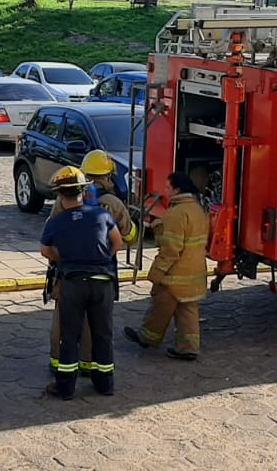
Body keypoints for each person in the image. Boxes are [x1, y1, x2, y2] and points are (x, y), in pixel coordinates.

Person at [40, 167, 123, 399]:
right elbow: (118, 243)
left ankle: (65, 388)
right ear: (83, 192)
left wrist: (63, 259)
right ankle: (105, 385)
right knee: (103, 334)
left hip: (73, 283)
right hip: (102, 282)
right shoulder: (102, 216)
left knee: (70, 335)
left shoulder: (56, 222)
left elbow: (45, 250)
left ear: (60, 195)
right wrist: (104, 258)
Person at [49, 150, 136, 366]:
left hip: (67, 271)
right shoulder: (113, 203)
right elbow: (129, 236)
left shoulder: (64, 200)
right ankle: (88, 362)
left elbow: (50, 235)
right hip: (100, 273)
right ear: (108, 176)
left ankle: (58, 361)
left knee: (63, 316)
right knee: (93, 319)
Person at [125, 171, 209, 361]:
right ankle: (189, 347)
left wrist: (156, 273)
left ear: (177, 190)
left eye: (168, 187)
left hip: (175, 275)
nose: (165, 190)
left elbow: (171, 250)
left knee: (161, 303)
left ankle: (147, 338)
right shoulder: (198, 209)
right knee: (187, 309)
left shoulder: (176, 213)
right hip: (195, 272)